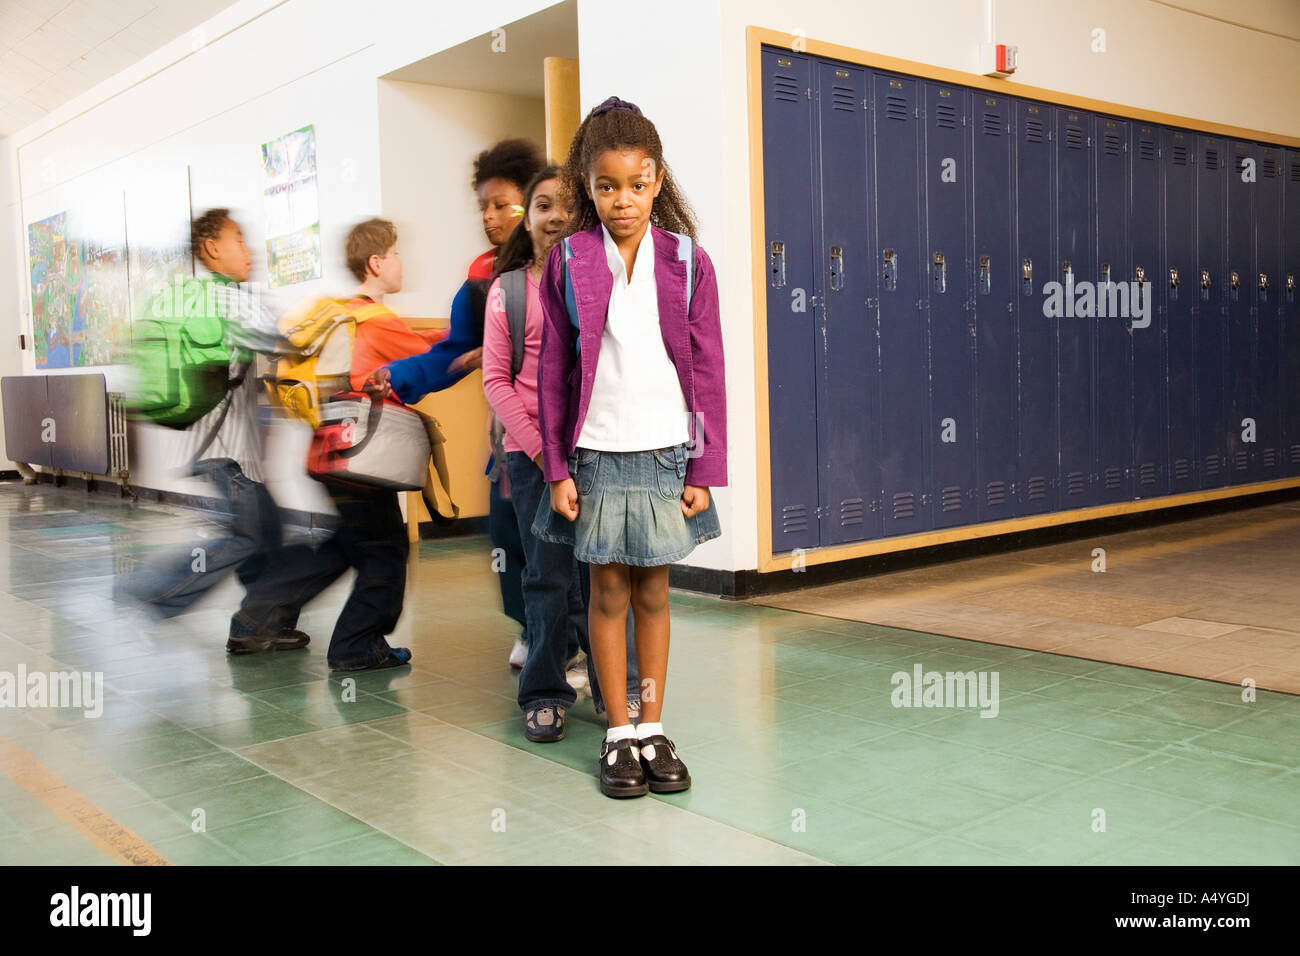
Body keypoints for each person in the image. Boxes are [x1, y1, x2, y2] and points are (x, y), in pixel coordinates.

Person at [533, 97, 727, 797]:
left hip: (667, 454)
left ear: (657, 179)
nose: (624, 200)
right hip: (597, 455)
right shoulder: (569, 260)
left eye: (638, 185)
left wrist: (703, 463)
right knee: (606, 593)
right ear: (588, 186)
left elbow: (707, 369)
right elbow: (554, 372)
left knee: (655, 592)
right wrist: (557, 465)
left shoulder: (687, 259)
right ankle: (618, 733)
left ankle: (652, 725)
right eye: (607, 186)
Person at [477, 165, 641, 741]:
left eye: (568, 205)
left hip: (601, 451)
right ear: (529, 218)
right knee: (546, 575)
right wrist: (545, 453)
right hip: (531, 459)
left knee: (608, 576)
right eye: (542, 205)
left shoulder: (609, 283)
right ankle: (545, 690)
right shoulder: (510, 290)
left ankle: (617, 690)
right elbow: (496, 380)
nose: (556, 216)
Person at [230, 218, 435, 670]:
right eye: (396, 253)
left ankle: (255, 619)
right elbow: (430, 359)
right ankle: (356, 646)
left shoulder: (341, 312)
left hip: (327, 453)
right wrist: (483, 342)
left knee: (343, 547)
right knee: (384, 552)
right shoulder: (378, 323)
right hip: (362, 460)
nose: (402, 262)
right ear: (377, 263)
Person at [381, 140, 544, 670]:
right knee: (508, 533)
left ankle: (573, 642)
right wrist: (398, 377)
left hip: (569, 435)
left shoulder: (571, 261)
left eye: (502, 205)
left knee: (560, 545)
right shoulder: (483, 276)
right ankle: (532, 629)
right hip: (510, 438)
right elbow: (452, 351)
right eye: (484, 207)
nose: (490, 217)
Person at [121, 208, 296, 654]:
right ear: (213, 248)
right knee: (248, 537)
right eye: (238, 239)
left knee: (268, 537)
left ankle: (258, 624)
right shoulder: (231, 299)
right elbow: (285, 342)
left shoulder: (187, 297)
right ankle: (153, 588)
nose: (248, 249)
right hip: (232, 452)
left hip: (203, 442)